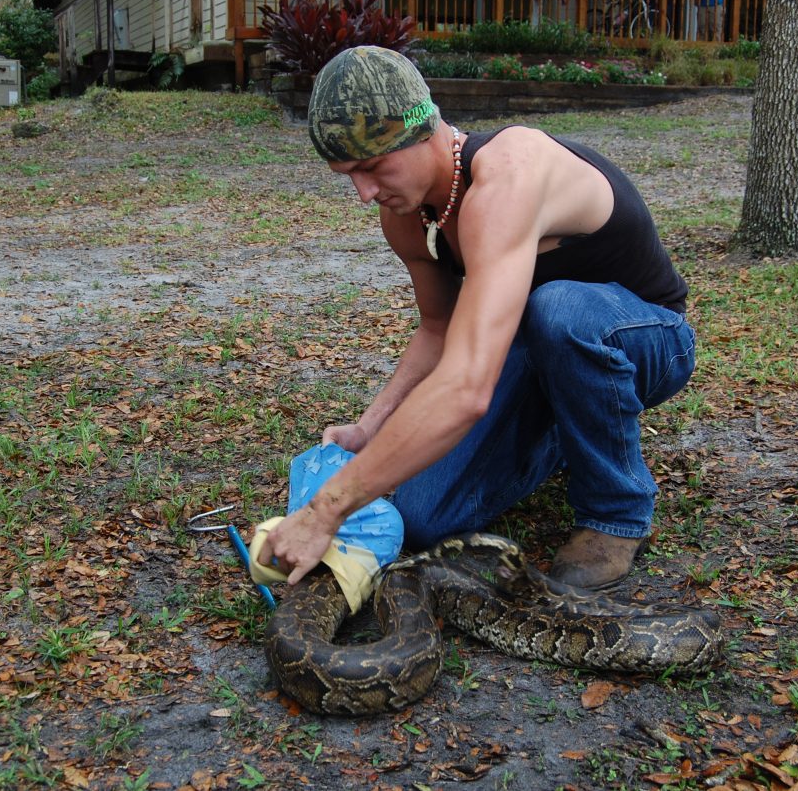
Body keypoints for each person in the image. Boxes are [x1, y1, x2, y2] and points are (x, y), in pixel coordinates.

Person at [256, 46, 695, 591]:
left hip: (644, 337)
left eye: (371, 167)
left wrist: (327, 510)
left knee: (557, 308)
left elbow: (466, 388)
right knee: (426, 517)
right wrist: (371, 427)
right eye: (347, 174)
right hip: (539, 351)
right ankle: (568, 428)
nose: (363, 192)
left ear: (424, 131)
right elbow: (439, 329)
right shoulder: (408, 216)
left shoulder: (510, 172)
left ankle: (615, 513)